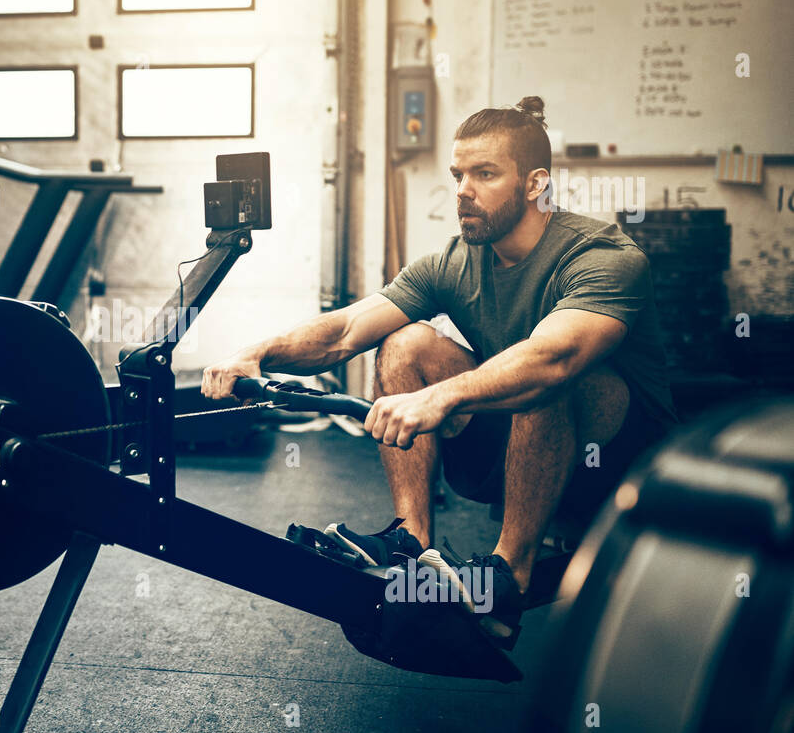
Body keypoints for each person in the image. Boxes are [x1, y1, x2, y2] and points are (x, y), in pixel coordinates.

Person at [201, 97, 676, 647]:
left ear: (534, 183)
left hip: (618, 469)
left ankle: (508, 574)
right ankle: (411, 536)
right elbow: (347, 330)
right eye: (457, 175)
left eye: (484, 174)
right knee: (403, 343)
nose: (463, 190)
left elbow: (555, 358)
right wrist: (255, 354)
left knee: (541, 373)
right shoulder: (452, 263)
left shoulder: (602, 256)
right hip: (512, 452)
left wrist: (442, 398)